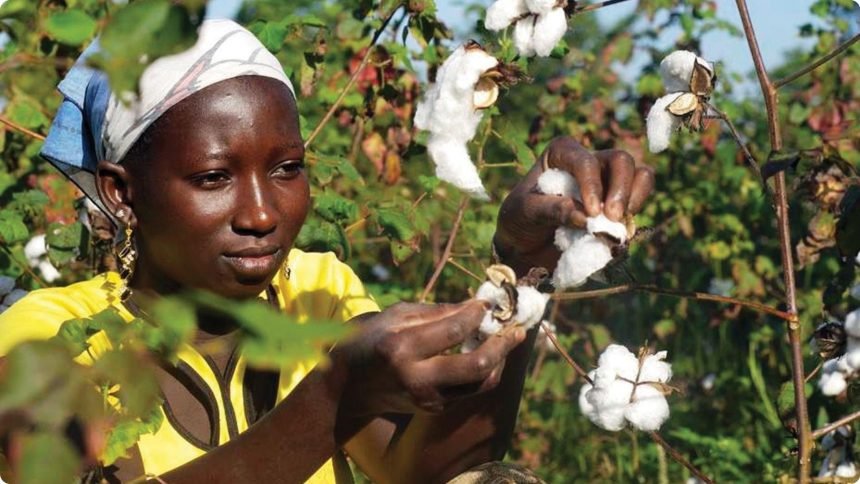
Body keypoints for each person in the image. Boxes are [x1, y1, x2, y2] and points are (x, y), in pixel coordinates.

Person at [0, 19, 653, 484]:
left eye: (286, 169)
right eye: (214, 177)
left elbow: (422, 469)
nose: (262, 214)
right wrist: (334, 397)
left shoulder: (318, 295)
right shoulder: (46, 341)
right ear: (122, 194)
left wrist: (528, 265)